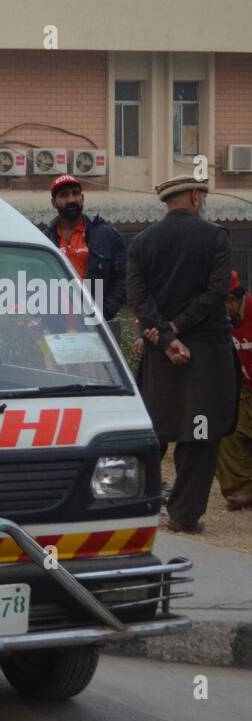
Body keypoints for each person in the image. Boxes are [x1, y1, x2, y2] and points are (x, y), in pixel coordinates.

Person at [127, 175, 237, 533]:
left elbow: (139, 300)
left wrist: (165, 334)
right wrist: (179, 328)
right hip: (203, 354)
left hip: (161, 353)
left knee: (154, 430)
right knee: (200, 433)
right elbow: (218, 291)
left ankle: (131, 502)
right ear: (194, 197)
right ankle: (184, 514)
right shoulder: (215, 236)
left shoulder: (141, 242)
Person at [41, 173, 127, 321]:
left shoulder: (106, 236)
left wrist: (104, 312)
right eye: (63, 195)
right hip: (56, 325)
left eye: (75, 193)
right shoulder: (44, 240)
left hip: (96, 324)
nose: (71, 200)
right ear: (53, 203)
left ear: (83, 198)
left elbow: (122, 279)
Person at [217, 270, 252, 509]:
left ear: (233, 300)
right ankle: (242, 489)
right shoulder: (220, 322)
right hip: (245, 391)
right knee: (226, 433)